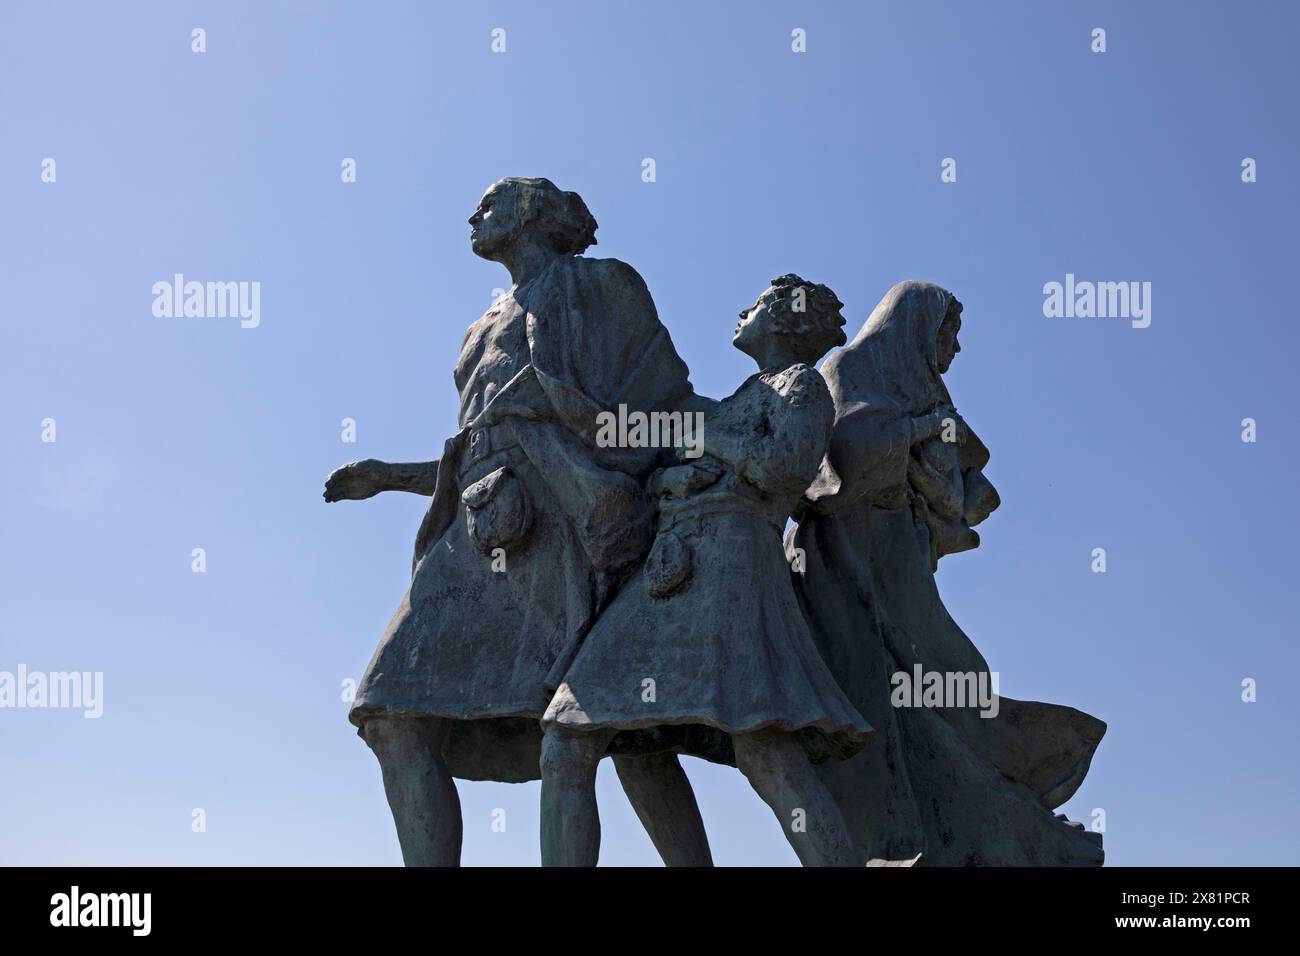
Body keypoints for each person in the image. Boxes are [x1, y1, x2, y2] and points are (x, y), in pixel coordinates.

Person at [324, 178, 714, 866]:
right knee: (388, 713)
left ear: (532, 213)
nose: (473, 215)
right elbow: (478, 450)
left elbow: (664, 398)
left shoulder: (602, 284)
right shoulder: (481, 323)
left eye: (492, 204)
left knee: (612, 727)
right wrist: (388, 476)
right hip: (477, 531)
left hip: (568, 519)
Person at [540, 275, 873, 867]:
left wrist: (705, 439)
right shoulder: (744, 394)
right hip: (670, 567)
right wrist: (674, 475)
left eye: (760, 304)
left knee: (763, 745)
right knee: (582, 732)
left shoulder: (804, 387)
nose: (744, 310)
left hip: (733, 564)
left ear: (789, 319)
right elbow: (675, 470)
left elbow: (780, 468)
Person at [789, 280, 1106, 865]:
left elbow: (966, 490)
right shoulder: (846, 367)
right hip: (844, 557)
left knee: (945, 679)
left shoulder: (927, 393)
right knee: (876, 694)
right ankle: (894, 839)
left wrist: (940, 463)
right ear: (913, 325)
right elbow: (844, 459)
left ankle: (993, 807)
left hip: (899, 555)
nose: (954, 348)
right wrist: (918, 431)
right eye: (948, 332)